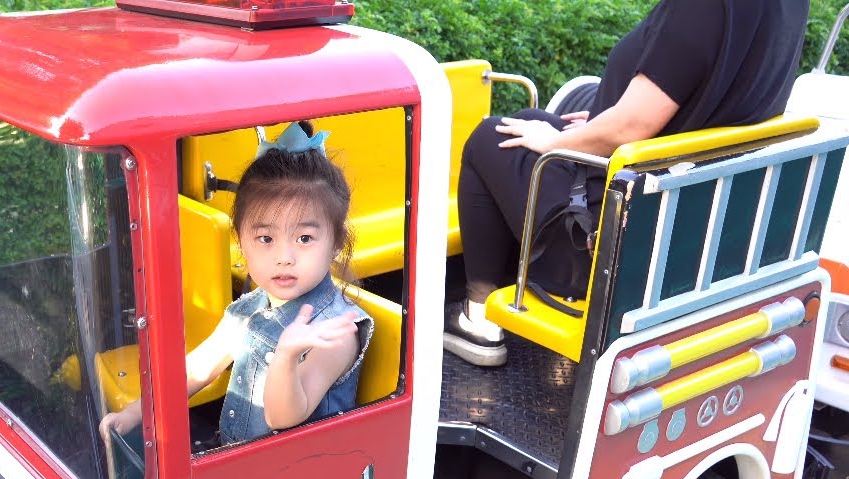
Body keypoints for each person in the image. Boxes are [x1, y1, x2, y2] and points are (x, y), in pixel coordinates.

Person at [443, 0, 811, 367]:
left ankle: (479, 319)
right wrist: (598, 118)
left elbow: (633, 125)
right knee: (528, 120)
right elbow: (714, 97)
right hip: (690, 226)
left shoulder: (702, 7)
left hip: (614, 243)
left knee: (489, 138)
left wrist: (556, 142)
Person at [100, 122, 374, 445]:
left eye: (304, 238)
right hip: (241, 465)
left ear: (336, 243)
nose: (284, 257)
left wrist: (286, 355)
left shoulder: (337, 331)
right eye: (265, 238)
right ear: (241, 243)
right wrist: (134, 414)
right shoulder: (249, 309)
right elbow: (196, 369)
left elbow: (283, 417)